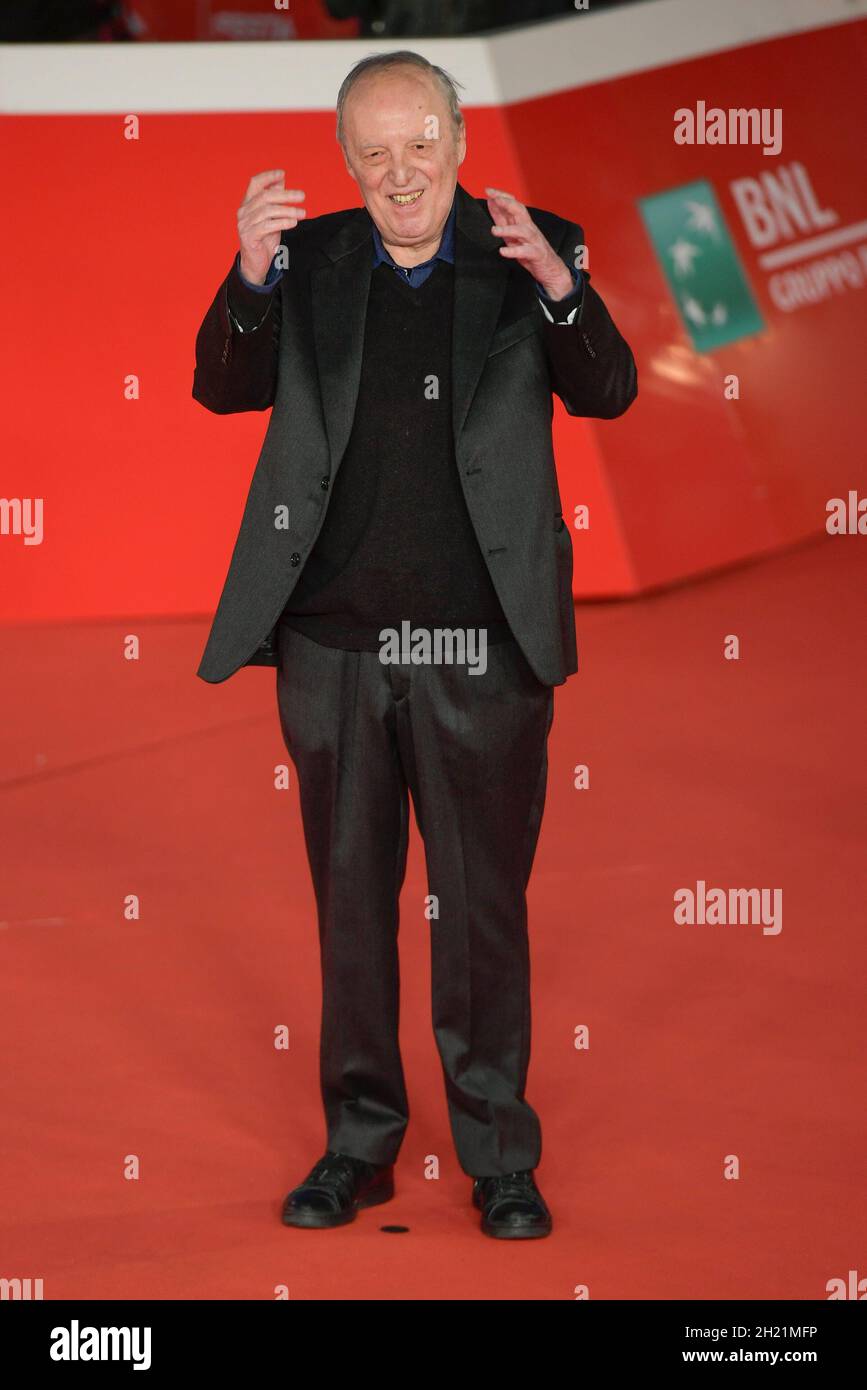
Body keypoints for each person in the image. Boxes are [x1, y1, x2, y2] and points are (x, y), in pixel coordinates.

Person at [192, 50, 637, 1239]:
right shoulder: (311, 256)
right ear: (348, 161)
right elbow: (221, 387)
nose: (401, 173)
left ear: (457, 137)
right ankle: (358, 1142)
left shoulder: (534, 241)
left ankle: (499, 1156)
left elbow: (609, 390)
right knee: (352, 906)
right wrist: (244, 274)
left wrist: (559, 289)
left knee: (481, 904)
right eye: (374, 152)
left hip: (482, 644)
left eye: (420, 143)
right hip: (332, 644)